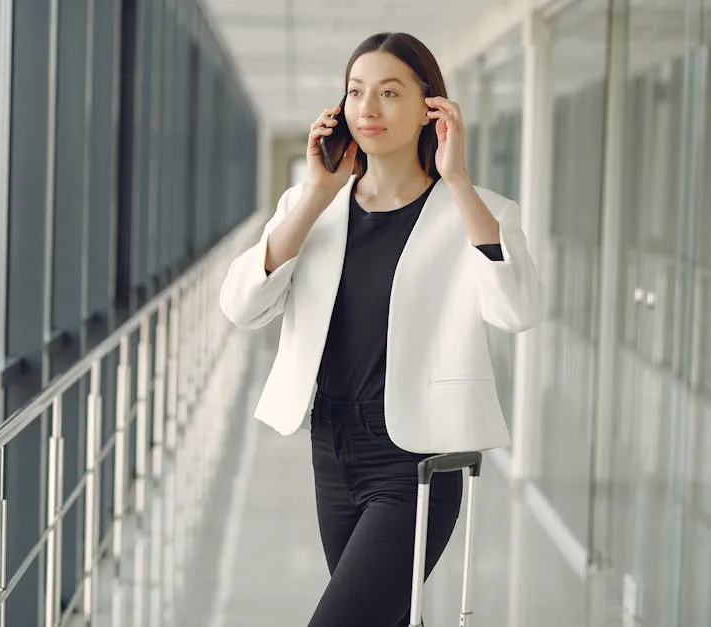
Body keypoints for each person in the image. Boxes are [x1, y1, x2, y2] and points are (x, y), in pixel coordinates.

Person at [219, 32, 545, 627]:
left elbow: (517, 310)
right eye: (355, 92)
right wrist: (316, 194)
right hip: (333, 446)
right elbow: (242, 306)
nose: (367, 109)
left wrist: (459, 182)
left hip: (417, 459)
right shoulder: (313, 203)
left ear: (431, 108)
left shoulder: (479, 211)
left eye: (390, 93)